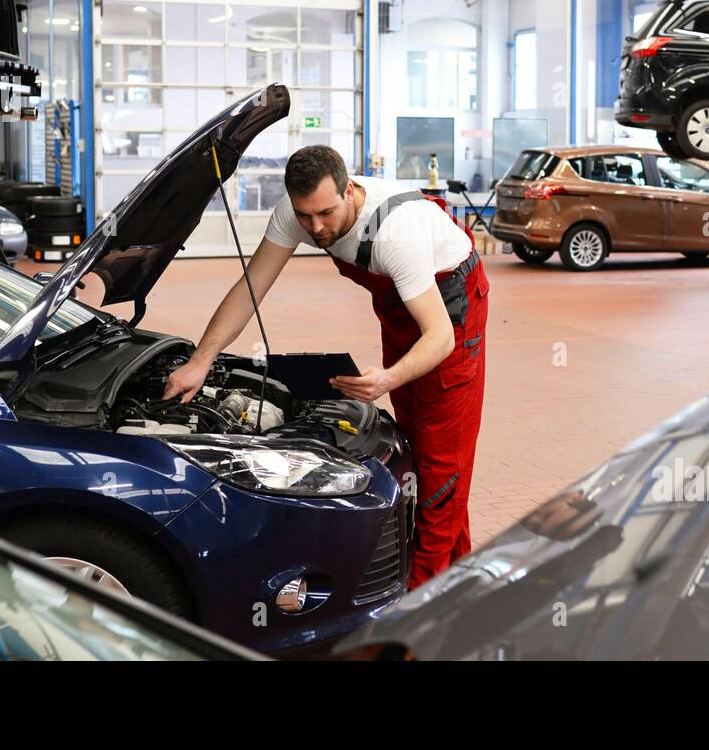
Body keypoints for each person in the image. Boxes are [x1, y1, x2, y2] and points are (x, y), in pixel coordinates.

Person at [162, 145, 489, 588]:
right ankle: (462, 583)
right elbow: (250, 289)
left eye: (326, 213)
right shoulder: (296, 213)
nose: (316, 228)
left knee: (442, 463)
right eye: (305, 215)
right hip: (399, 310)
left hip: (450, 310)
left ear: (349, 190)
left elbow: (440, 338)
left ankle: (421, 609)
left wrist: (388, 378)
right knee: (416, 445)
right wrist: (201, 361)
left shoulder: (397, 235)